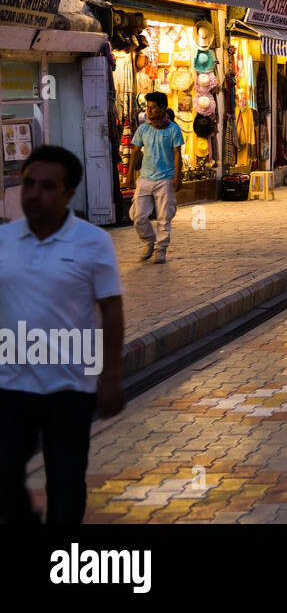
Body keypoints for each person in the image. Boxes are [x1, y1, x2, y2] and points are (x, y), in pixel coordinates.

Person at [0, 146, 125, 524]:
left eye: (47, 187)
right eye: (29, 184)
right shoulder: (4, 240)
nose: (34, 194)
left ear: (70, 194)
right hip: (10, 384)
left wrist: (111, 377)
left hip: (70, 388)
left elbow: (112, 310)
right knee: (4, 477)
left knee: (66, 482)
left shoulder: (93, 242)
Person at [128, 91, 185, 265]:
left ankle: (161, 249)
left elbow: (177, 154)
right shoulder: (143, 128)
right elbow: (136, 151)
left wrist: (177, 176)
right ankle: (148, 241)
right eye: (148, 107)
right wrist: (129, 174)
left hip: (165, 178)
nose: (149, 111)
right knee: (138, 216)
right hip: (145, 178)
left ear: (163, 109)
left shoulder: (173, 129)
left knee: (163, 217)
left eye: (153, 108)